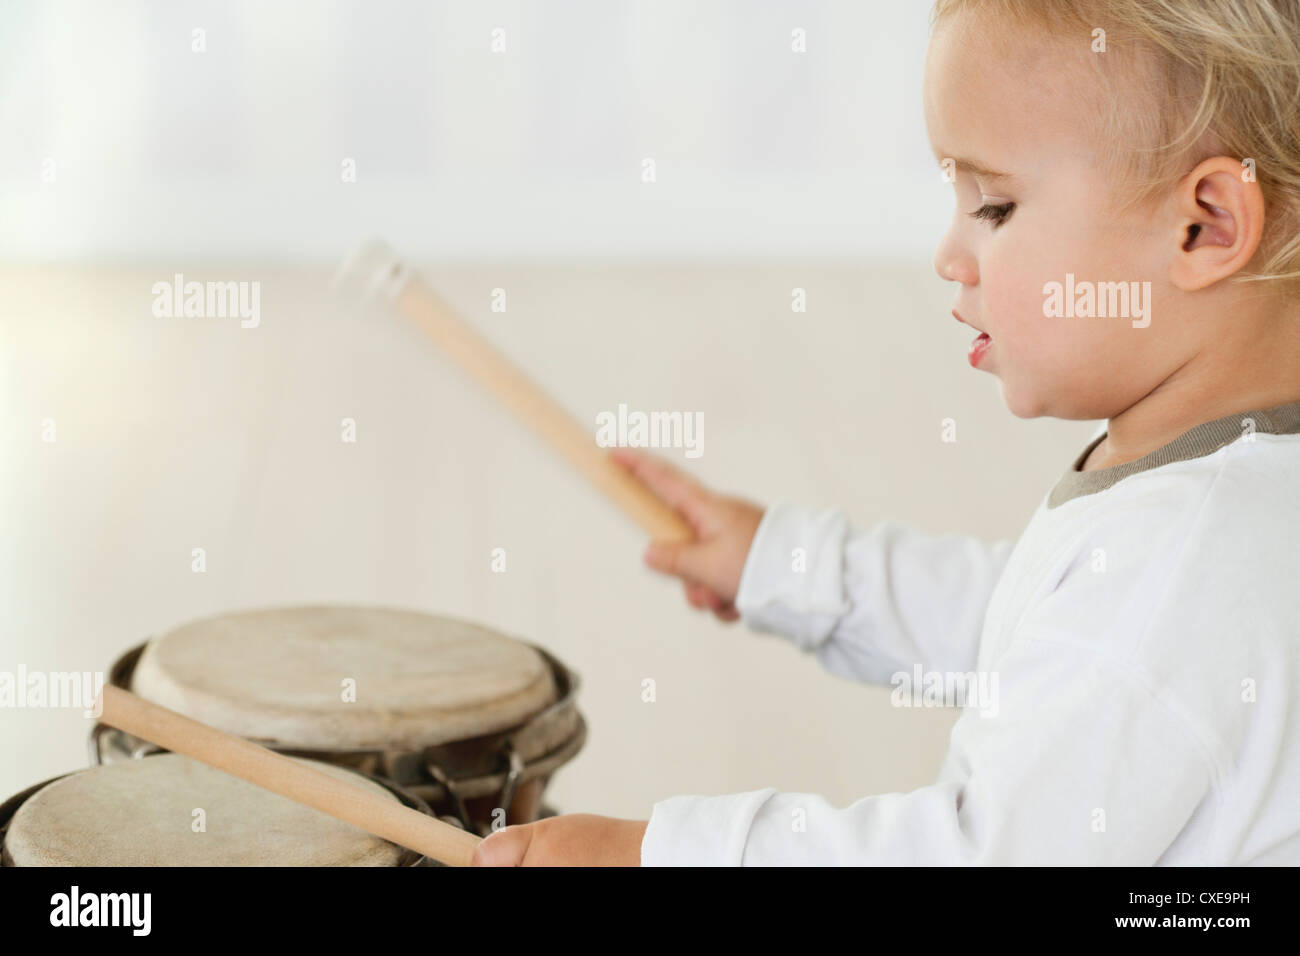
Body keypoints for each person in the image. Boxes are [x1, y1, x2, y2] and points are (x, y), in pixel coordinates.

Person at [474, 0, 1300, 865]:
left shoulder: (1183, 561)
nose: (950, 253)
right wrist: (789, 564)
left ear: (1203, 225)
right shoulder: (1218, 496)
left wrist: (658, 854)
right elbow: (1038, 632)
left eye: (994, 207)